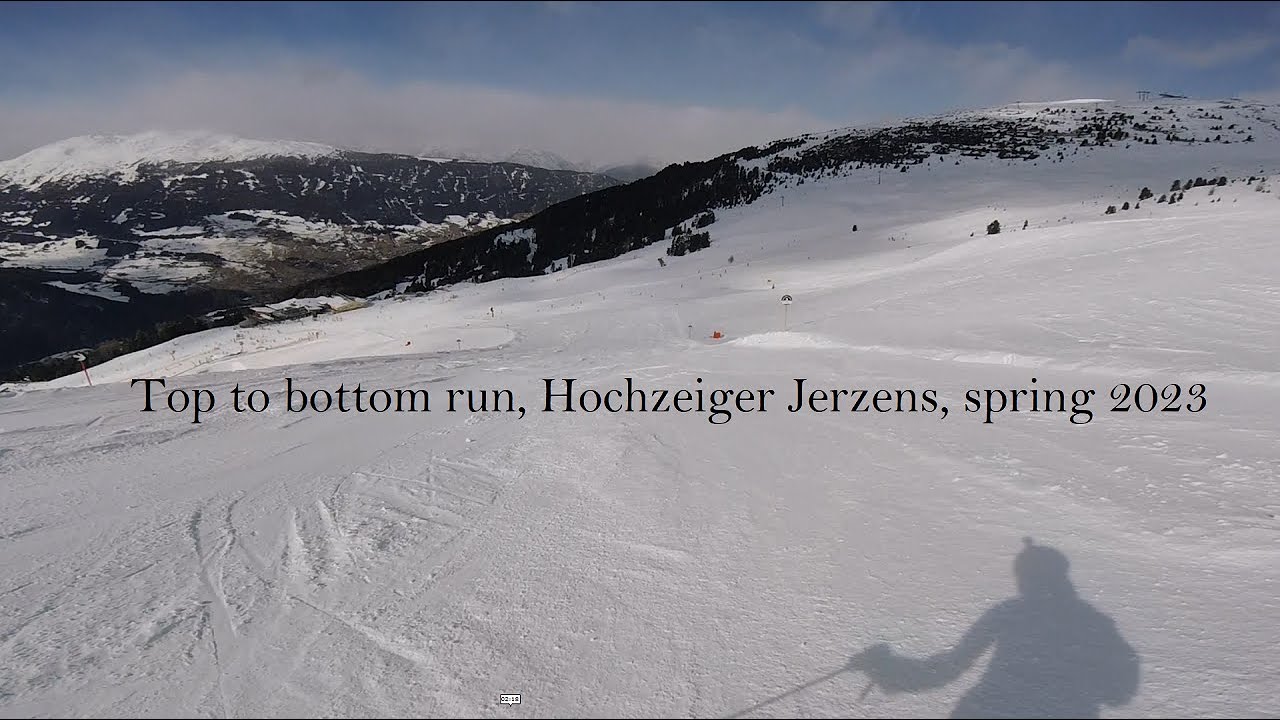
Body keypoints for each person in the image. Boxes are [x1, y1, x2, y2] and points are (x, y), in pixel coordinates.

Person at [850, 538, 1139, 718]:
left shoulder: (1011, 613)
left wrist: (883, 667)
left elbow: (948, 669)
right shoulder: (1095, 625)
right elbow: (1119, 693)